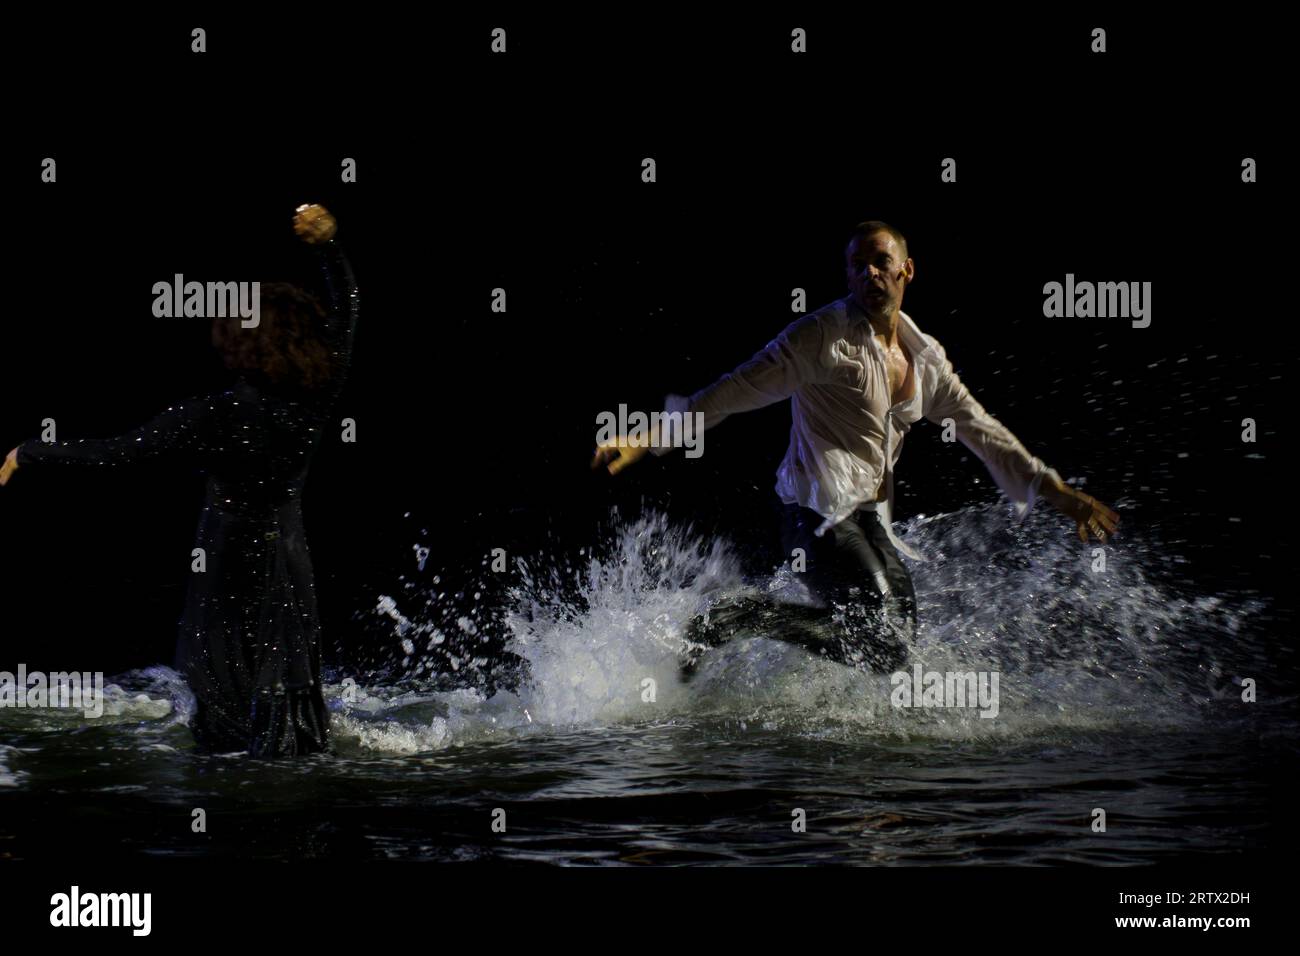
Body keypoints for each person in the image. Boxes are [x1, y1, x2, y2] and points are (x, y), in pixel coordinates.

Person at [591, 220, 1118, 673]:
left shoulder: (925, 360)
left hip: (867, 515)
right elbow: (735, 389)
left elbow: (983, 430)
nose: (869, 272)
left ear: (906, 271)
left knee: (896, 646)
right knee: (881, 641)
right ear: (847, 274)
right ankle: (740, 616)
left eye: (880, 261)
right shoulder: (823, 337)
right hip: (811, 513)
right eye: (857, 264)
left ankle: (753, 624)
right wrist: (649, 438)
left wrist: (1058, 493)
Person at [0, 204, 358, 757]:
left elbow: (120, 453)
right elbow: (348, 311)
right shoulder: (315, 399)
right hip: (290, 561)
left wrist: (31, 452)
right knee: (292, 702)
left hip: (226, 563)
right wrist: (330, 247)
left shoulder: (215, 415)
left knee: (221, 716)